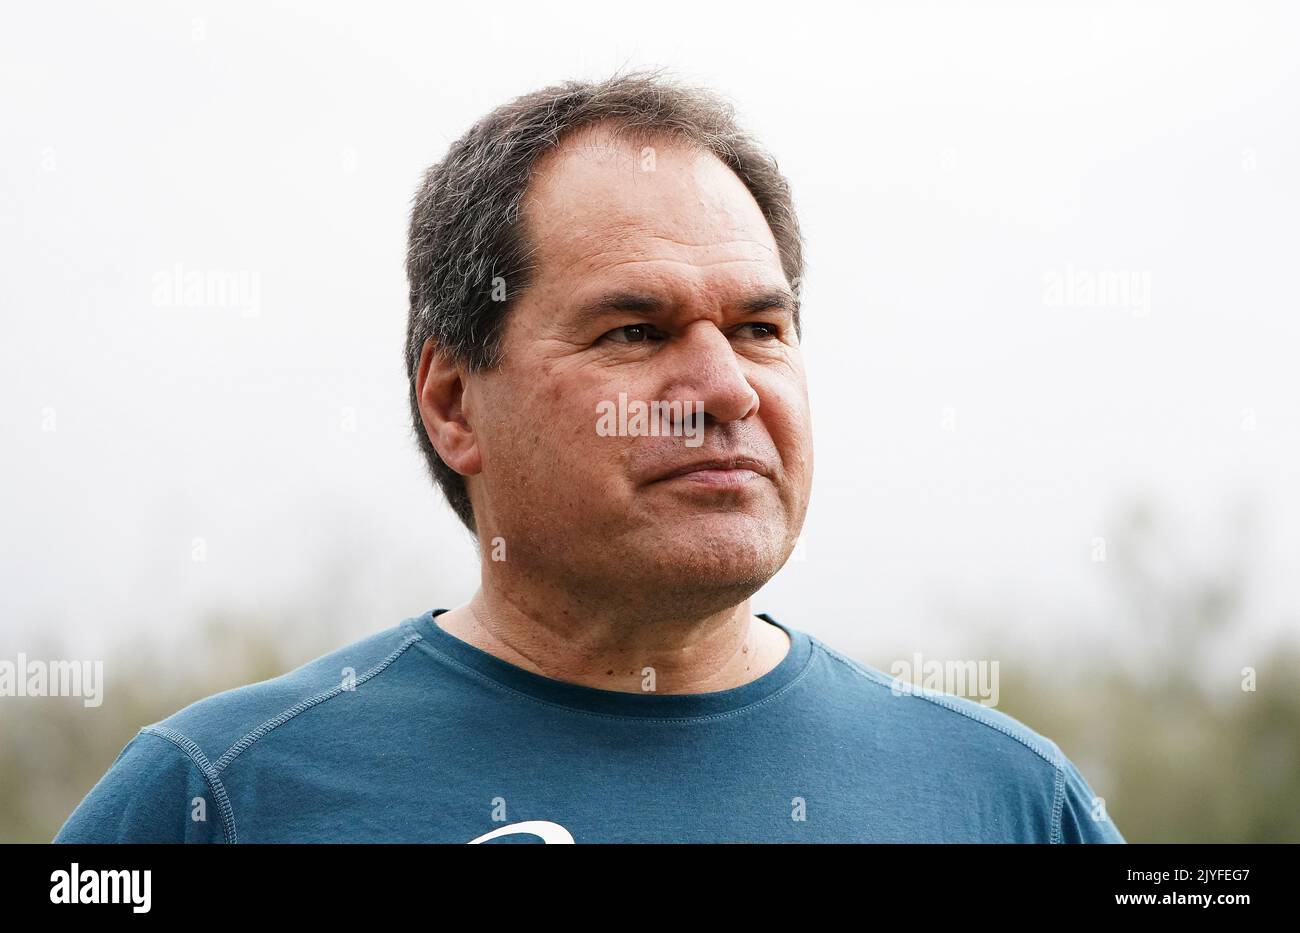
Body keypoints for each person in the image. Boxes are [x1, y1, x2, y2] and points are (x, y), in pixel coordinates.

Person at [54, 69, 1124, 844]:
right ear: (452, 400)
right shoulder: (224, 799)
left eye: (760, 328)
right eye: (634, 331)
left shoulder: (1006, 799)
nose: (727, 389)